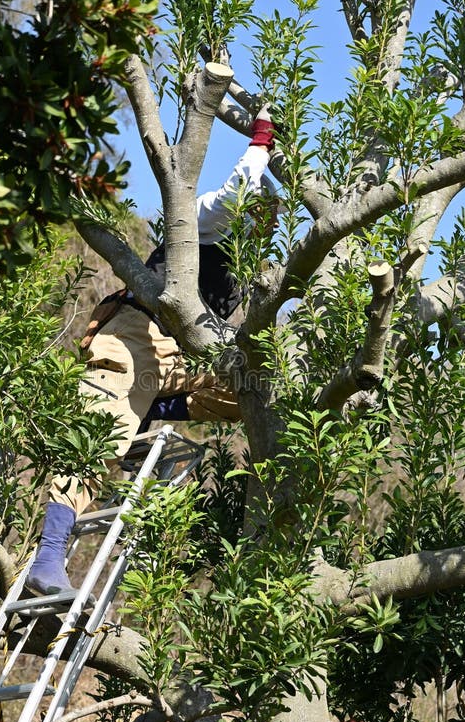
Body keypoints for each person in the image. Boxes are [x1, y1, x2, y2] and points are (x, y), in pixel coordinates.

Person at [26, 108, 277, 596]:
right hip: (138, 335)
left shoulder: (245, 263)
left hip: (186, 361)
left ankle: (151, 404)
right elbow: (240, 186)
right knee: (97, 427)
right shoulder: (204, 219)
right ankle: (50, 556)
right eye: (262, 217)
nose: (265, 228)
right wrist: (262, 139)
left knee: (259, 392)